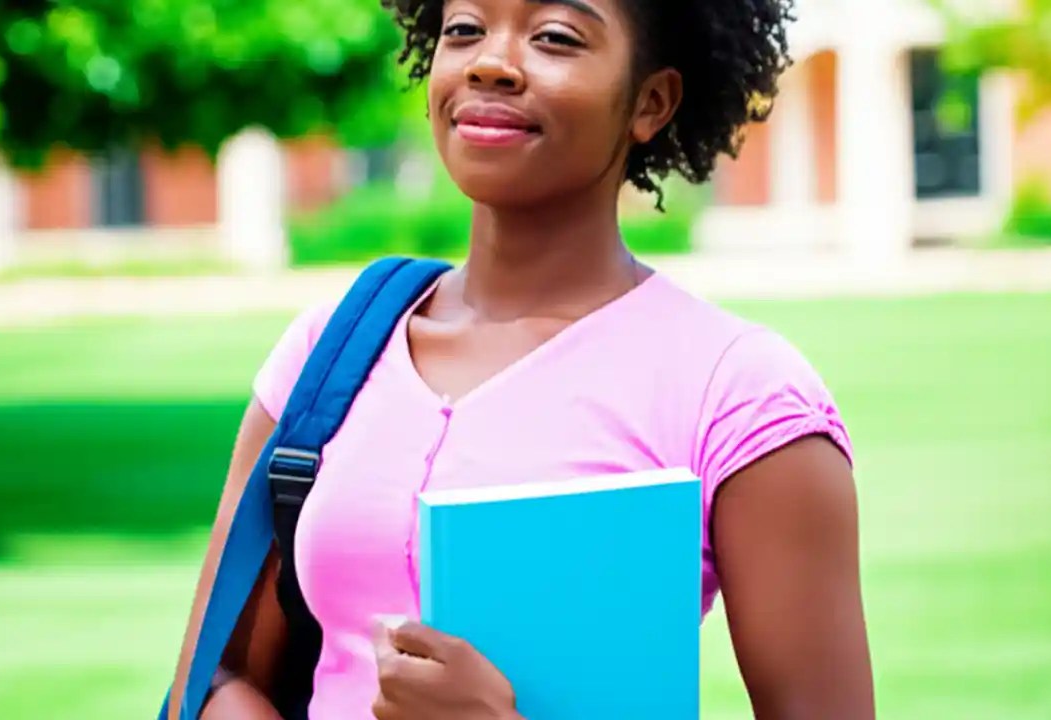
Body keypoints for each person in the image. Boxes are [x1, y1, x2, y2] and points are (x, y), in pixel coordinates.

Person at [191, 0, 875, 717]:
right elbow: (218, 672)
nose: (489, 61)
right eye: (464, 30)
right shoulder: (330, 352)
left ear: (651, 101)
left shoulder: (740, 396)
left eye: (554, 37)